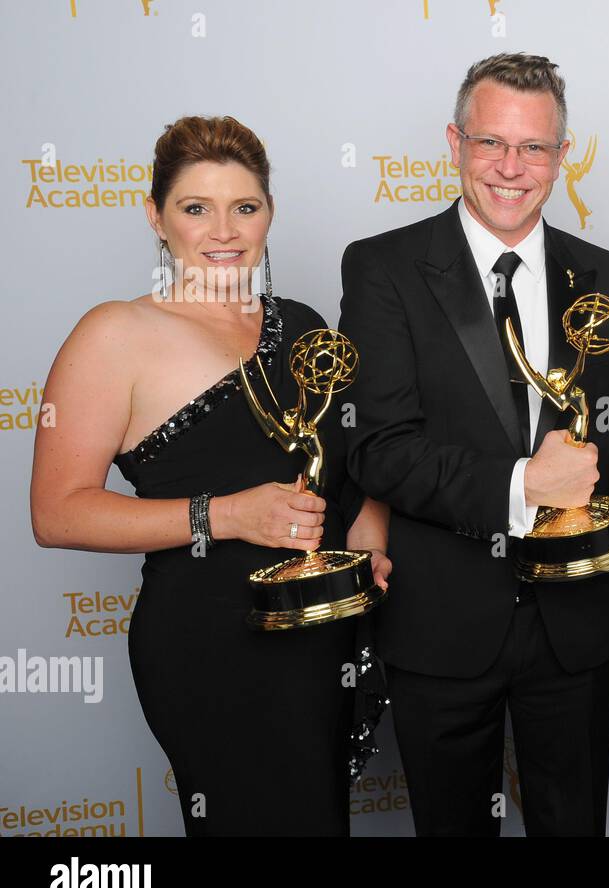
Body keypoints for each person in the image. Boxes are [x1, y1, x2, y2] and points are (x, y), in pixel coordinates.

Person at [30, 115, 392, 836]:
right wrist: (222, 515)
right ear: (156, 218)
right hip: (211, 643)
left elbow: (357, 466)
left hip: (321, 635)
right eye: (196, 207)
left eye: (245, 207)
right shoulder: (114, 333)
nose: (224, 229)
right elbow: (57, 513)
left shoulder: (304, 324)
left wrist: (371, 541)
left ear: (268, 214)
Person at [338, 53, 609, 837]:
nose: (513, 168)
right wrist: (524, 484)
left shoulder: (605, 274)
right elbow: (381, 448)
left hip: (575, 621)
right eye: (491, 143)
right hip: (441, 619)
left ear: (561, 156)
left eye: (535, 147)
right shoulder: (384, 268)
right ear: (454, 142)